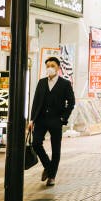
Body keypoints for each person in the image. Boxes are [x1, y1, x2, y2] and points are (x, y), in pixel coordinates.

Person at [30, 57, 75, 187]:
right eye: (48, 65)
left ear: (58, 68)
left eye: (53, 65)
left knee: (56, 149)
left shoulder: (65, 84)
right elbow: (36, 101)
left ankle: (52, 176)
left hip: (56, 120)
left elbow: (71, 103)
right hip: (41, 119)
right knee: (36, 143)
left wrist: (63, 118)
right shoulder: (41, 82)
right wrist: (32, 119)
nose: (50, 67)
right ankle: (48, 166)